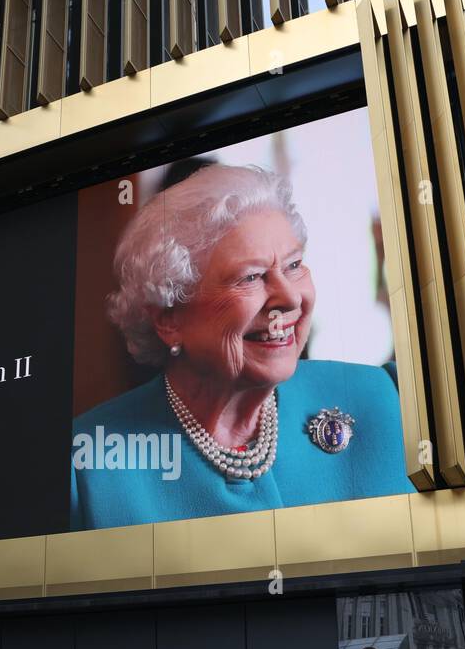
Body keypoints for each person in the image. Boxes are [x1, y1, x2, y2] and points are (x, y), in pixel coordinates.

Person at [71, 164, 413, 530]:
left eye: (294, 265)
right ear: (168, 320)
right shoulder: (87, 465)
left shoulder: (384, 397)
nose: (289, 296)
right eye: (250, 277)